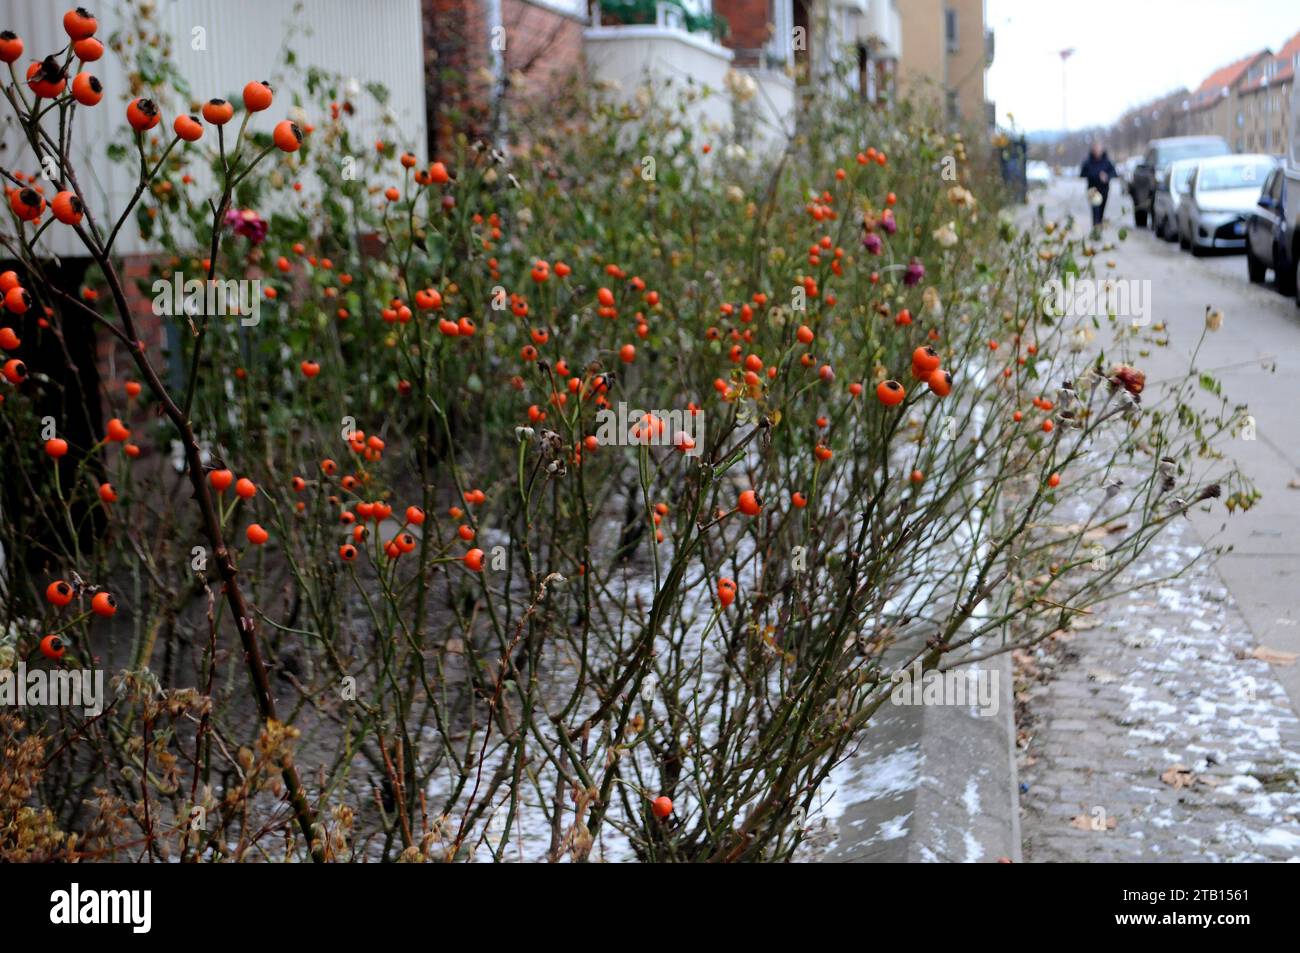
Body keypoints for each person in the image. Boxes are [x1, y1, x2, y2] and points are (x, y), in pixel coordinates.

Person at [1079, 141, 1117, 234]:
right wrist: (1095, 175)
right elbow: (1082, 174)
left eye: (1099, 149)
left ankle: (1099, 227)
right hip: (1093, 190)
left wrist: (1106, 177)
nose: (1097, 152)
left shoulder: (1107, 161)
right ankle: (1096, 230)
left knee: (1101, 210)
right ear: (1093, 150)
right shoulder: (1088, 161)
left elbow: (1114, 173)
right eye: (1095, 149)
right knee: (1095, 210)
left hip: (1104, 189)